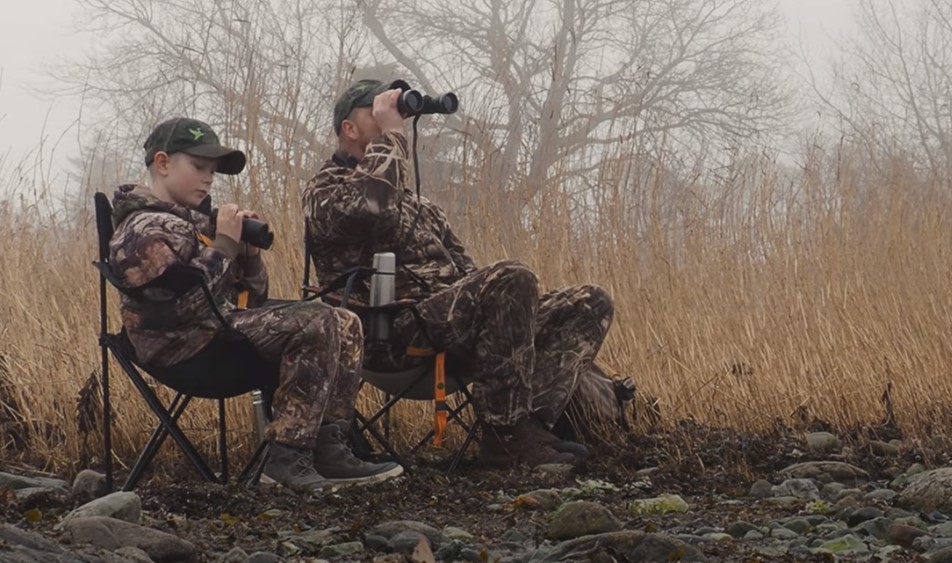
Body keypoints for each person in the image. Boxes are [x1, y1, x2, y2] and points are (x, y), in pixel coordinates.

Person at [302, 81, 630, 468]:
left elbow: (468, 274)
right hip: (387, 332)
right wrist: (391, 136)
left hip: (449, 325)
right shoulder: (324, 190)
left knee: (590, 302)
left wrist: (505, 310)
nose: (389, 117)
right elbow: (375, 206)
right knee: (513, 276)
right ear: (349, 129)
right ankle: (504, 439)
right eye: (374, 111)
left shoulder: (423, 207)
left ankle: (530, 426)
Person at [108, 117, 404, 489]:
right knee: (318, 322)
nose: (208, 179)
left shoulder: (195, 224)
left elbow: (253, 299)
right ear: (163, 163)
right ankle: (287, 459)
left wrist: (245, 254)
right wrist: (225, 246)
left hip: (217, 335)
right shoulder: (142, 229)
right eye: (199, 167)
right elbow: (177, 306)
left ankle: (329, 450)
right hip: (184, 349)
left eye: (213, 171)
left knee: (343, 320)